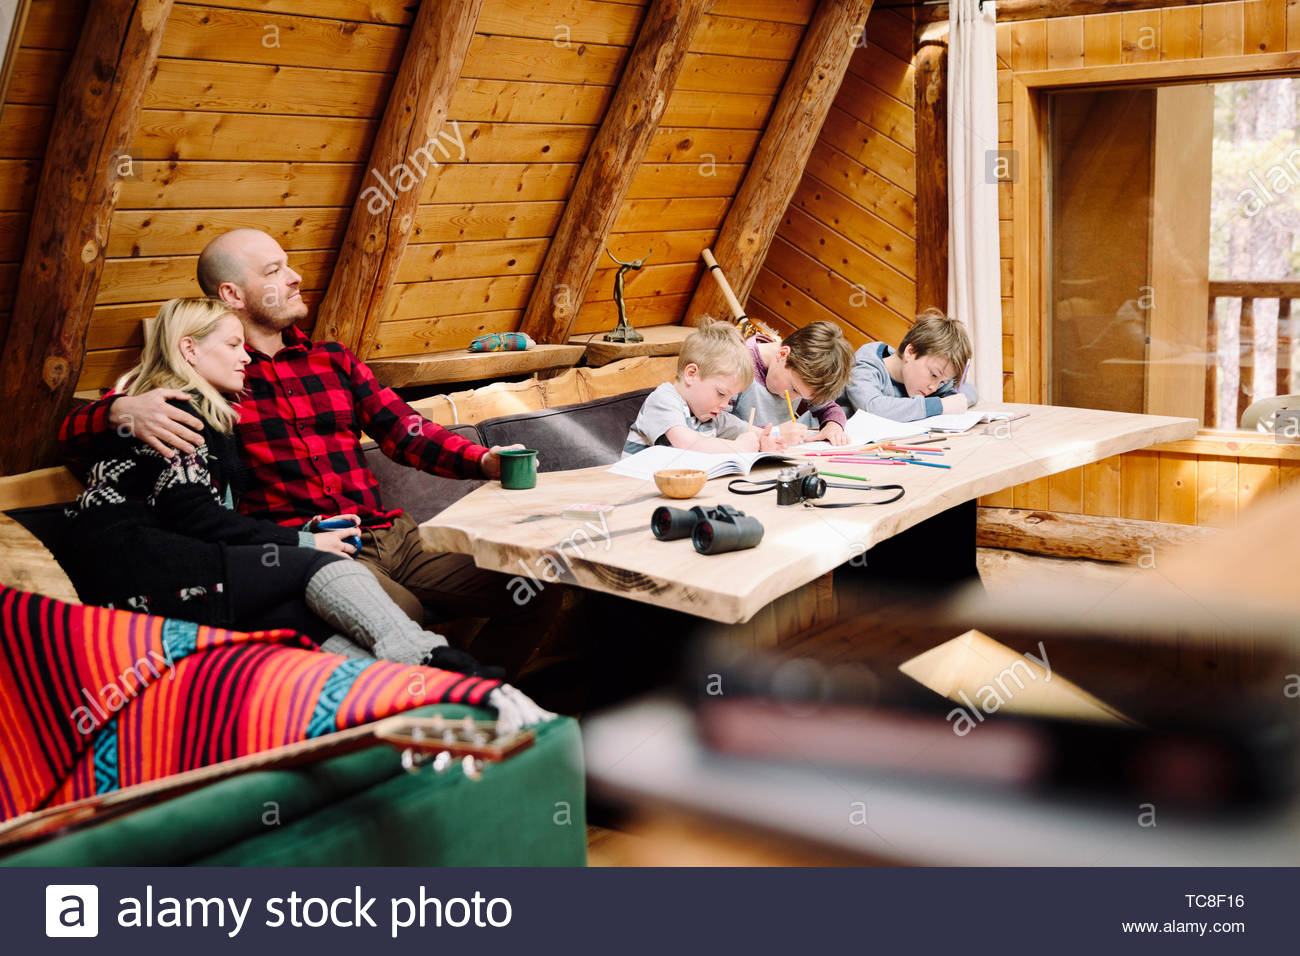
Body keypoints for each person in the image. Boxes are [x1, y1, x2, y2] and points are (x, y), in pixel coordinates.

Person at [58, 229, 561, 678]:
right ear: (232, 294)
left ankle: (501, 702)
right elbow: (77, 434)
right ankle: (444, 714)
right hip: (313, 550)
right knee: (396, 618)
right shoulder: (209, 376)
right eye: (275, 271)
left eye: (288, 263)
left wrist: (482, 461)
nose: (296, 277)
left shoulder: (332, 359)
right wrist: (118, 411)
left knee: (540, 588)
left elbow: (407, 431)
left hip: (397, 535)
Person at [622, 320, 787, 456]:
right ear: (691, 374)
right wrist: (738, 448)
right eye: (721, 393)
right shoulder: (664, 400)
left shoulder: (712, 417)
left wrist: (765, 440)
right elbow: (686, 443)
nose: (725, 405)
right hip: (630, 488)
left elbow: (752, 431)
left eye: (730, 398)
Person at [730, 321, 855, 447]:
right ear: (782, 354)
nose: (794, 398)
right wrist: (774, 433)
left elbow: (829, 409)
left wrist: (834, 426)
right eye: (795, 390)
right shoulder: (737, 363)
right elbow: (718, 423)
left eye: (804, 397)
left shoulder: (798, 376)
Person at [840, 309, 979, 422]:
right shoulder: (864, 366)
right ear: (910, 352)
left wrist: (957, 399)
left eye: (943, 381)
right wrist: (939, 405)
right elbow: (872, 408)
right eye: (934, 375)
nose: (934, 387)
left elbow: (970, 390)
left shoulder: (925, 379)